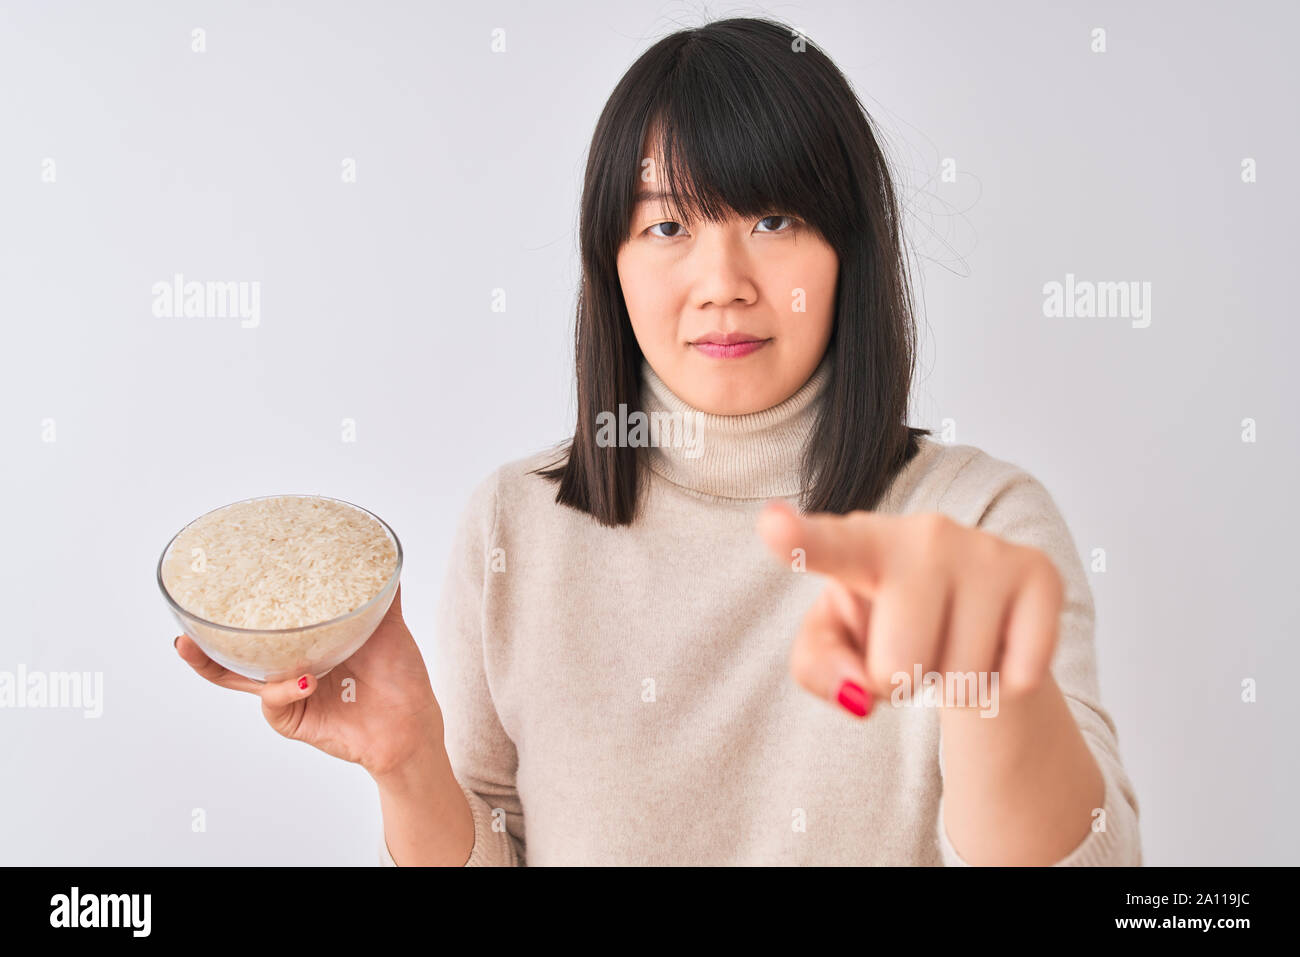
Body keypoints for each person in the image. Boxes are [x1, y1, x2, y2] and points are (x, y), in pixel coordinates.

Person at [176, 16, 1141, 866]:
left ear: (851, 249)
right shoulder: (515, 523)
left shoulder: (977, 520)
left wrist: (987, 679)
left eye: (773, 217)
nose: (722, 280)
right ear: (613, 263)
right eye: (669, 223)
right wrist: (407, 762)